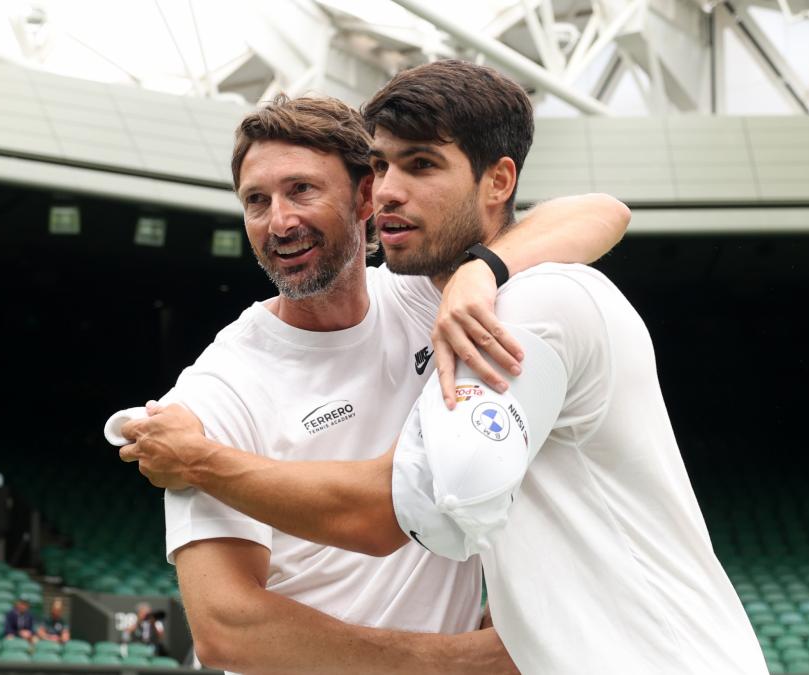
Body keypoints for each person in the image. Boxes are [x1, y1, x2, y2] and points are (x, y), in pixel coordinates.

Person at [120, 60, 768, 674]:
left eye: (302, 190)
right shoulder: (214, 392)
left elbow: (602, 211)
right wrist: (457, 660)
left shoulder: (477, 305)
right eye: (256, 200)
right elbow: (224, 626)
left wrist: (478, 273)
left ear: (361, 200)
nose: (279, 220)